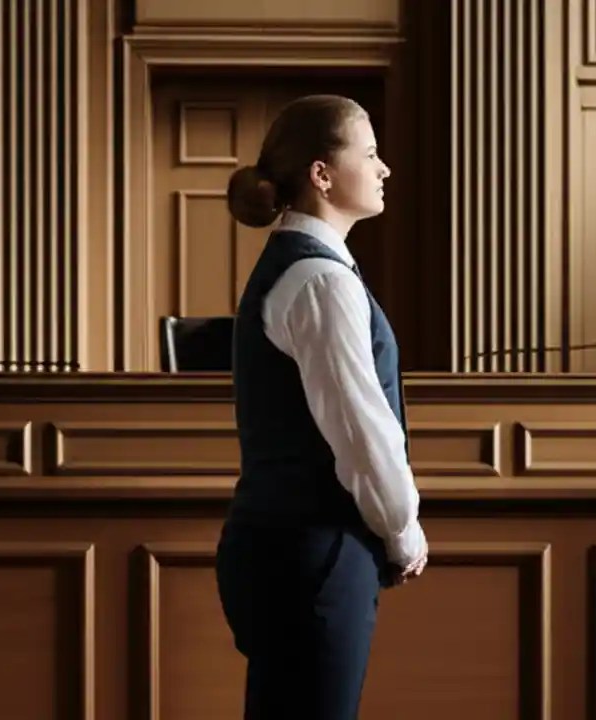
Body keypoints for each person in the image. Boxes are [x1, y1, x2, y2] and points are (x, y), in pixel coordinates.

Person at [215, 94, 428, 720]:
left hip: (288, 548)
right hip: (315, 554)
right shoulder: (321, 281)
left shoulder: (309, 268)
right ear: (322, 174)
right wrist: (402, 531)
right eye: (370, 153)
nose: (384, 167)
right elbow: (361, 434)